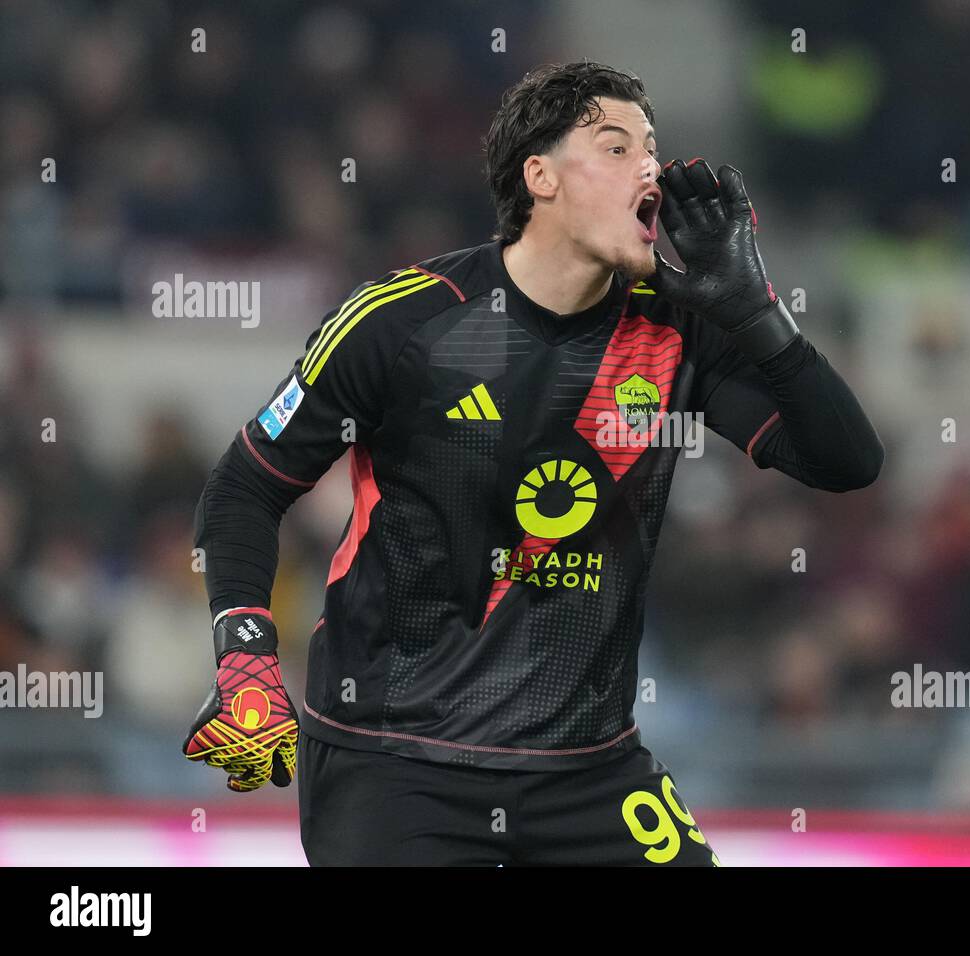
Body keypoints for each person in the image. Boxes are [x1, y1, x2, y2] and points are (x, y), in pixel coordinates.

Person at [183, 60, 884, 865]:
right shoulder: (404, 322)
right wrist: (245, 647)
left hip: (589, 773)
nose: (650, 168)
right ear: (540, 176)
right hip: (396, 766)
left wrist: (755, 313)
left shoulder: (678, 330)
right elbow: (244, 485)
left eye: (652, 149)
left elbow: (847, 463)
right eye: (616, 148)